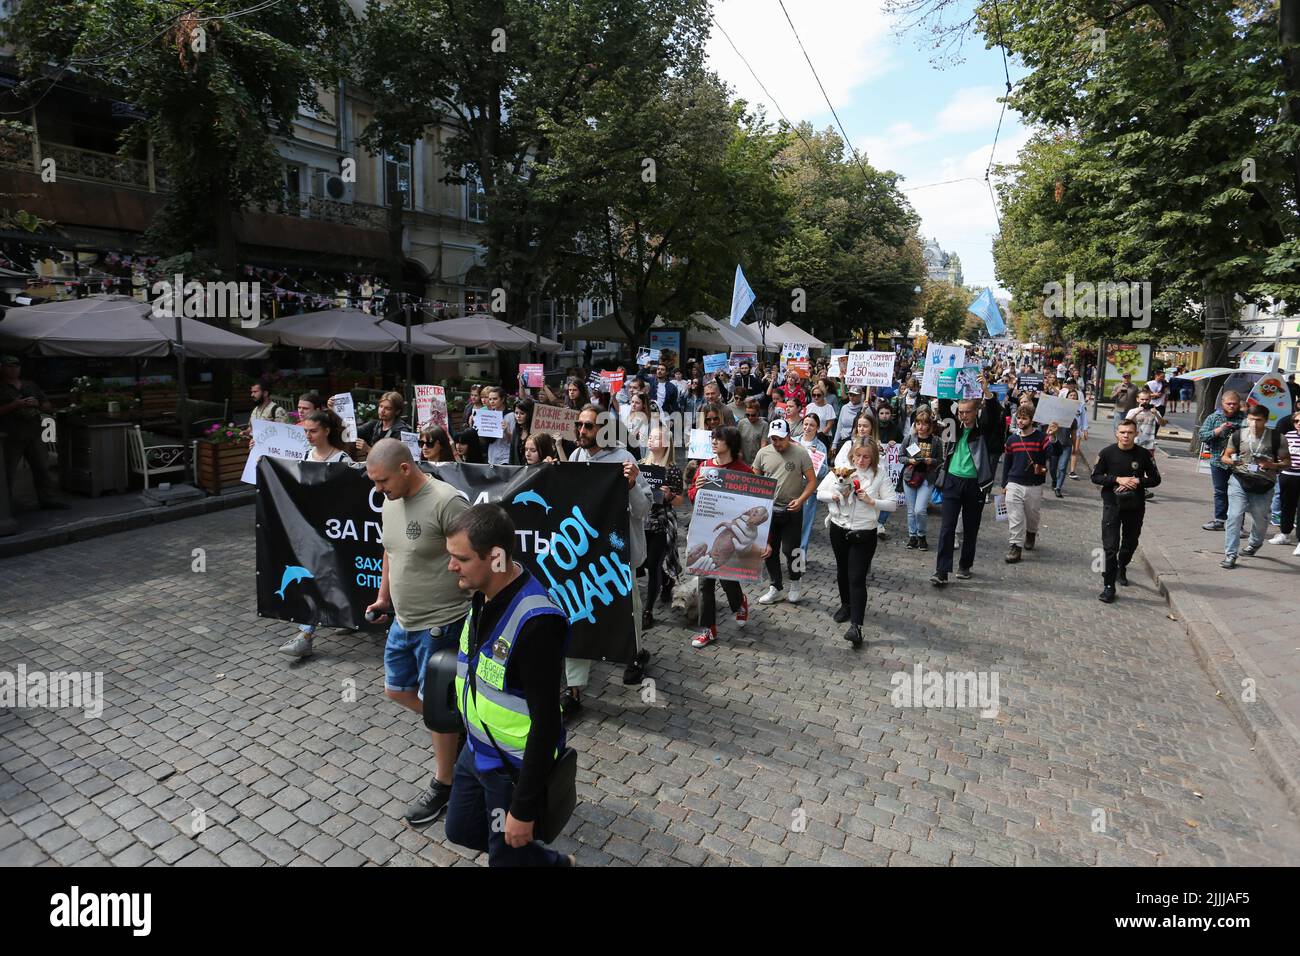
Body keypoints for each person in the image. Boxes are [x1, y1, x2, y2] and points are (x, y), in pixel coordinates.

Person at [443, 503, 573, 867]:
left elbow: (547, 722)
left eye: (461, 558)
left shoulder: (537, 624)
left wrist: (523, 809)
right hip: (476, 752)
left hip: (511, 770)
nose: (452, 566)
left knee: (505, 857)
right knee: (460, 829)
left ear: (495, 557)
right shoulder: (484, 592)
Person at [362, 439, 471, 824]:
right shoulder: (390, 502)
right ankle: (461, 731)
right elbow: (391, 552)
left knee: (437, 708)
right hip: (403, 621)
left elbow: (476, 557)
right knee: (397, 689)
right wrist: (382, 599)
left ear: (406, 468)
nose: (378, 489)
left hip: (442, 624)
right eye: (374, 482)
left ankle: (445, 783)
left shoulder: (447, 501)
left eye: (382, 480)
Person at [563, 404, 652, 715]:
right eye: (579, 425)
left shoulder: (625, 460)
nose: (582, 431)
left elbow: (644, 510)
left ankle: (636, 654)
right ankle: (574, 689)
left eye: (588, 426)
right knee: (579, 610)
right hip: (585, 553)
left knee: (628, 608)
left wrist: (630, 486)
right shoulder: (575, 458)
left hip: (619, 550)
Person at [277, 410, 355, 660]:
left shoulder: (342, 458)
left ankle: (336, 619)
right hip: (312, 532)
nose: (308, 436)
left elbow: (348, 497)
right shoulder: (304, 456)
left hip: (337, 532)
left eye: (313, 431)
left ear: (326, 431)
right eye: (306, 432)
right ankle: (306, 634)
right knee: (316, 578)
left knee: (337, 577)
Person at [687, 426, 764, 649]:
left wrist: (764, 539)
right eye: (712, 438)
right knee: (705, 584)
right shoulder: (705, 466)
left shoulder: (744, 471)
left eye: (718, 439)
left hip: (734, 536)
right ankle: (708, 630)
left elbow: (757, 503)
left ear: (730, 443)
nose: (713, 442)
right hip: (708, 530)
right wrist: (697, 489)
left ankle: (739, 602)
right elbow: (692, 497)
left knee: (728, 578)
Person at [818, 440, 896, 646]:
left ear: (873, 458)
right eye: (857, 456)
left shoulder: (880, 475)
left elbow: (893, 503)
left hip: (864, 533)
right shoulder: (842, 470)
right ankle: (846, 605)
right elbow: (820, 493)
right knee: (842, 571)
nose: (860, 461)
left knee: (857, 577)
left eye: (866, 456)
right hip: (838, 529)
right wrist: (834, 496)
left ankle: (856, 627)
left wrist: (872, 501)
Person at [929, 380, 1002, 587]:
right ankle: (941, 571)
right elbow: (944, 409)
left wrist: (987, 390)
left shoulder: (983, 430)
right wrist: (945, 382)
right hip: (952, 481)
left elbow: (995, 415)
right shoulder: (953, 427)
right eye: (960, 411)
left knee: (971, 528)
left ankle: (965, 565)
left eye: (967, 412)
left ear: (976, 411)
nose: (962, 415)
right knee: (947, 527)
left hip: (975, 484)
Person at [1092, 419, 1161, 602]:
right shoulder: (1107, 453)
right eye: (1122, 432)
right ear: (1117, 433)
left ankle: (1122, 565)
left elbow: (1155, 479)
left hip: (1135, 506)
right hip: (1112, 505)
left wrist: (1138, 481)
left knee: (1130, 543)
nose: (1126, 436)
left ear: (1136, 434)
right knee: (1109, 548)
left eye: (1130, 432)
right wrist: (1117, 479)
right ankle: (1108, 586)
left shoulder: (1144, 455)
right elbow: (1096, 476)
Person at [753, 418, 818, 605]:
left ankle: (796, 582)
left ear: (788, 436)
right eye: (773, 439)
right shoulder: (763, 453)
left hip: (793, 508)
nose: (777, 443)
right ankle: (775, 587)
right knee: (769, 551)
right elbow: (756, 477)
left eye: (780, 439)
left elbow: (812, 481)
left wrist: (801, 500)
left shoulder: (800, 452)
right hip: (769, 510)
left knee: (793, 550)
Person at [1220, 404, 1291, 568]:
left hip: (1264, 483)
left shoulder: (1277, 438)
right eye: (1251, 420)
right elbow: (1225, 457)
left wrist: (1271, 465)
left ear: (1265, 420)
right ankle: (1230, 555)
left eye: (1258, 420)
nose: (1253, 424)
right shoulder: (1238, 435)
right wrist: (1232, 461)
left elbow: (1287, 462)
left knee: (1260, 519)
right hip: (1239, 479)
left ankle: (1255, 543)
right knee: (1234, 516)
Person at [0, 355, 65, 510]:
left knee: (43, 468)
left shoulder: (30, 385)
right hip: (11, 436)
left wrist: (38, 404)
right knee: (8, 473)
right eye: (9, 366)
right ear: (2, 368)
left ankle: (48, 500)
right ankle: (5, 507)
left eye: (16, 366)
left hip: (35, 434)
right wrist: (15, 405)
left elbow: (48, 406)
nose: (13, 369)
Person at [640, 426, 683, 630]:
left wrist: (670, 496)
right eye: (649, 437)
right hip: (641, 519)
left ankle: (647, 611)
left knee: (654, 564)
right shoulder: (640, 465)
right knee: (645, 563)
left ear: (665, 443)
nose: (650, 440)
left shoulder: (673, 469)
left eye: (655, 438)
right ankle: (666, 581)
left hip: (661, 521)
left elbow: (680, 500)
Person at [999, 405, 1053, 564]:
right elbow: (1007, 463)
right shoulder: (1012, 440)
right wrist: (1004, 484)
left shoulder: (1041, 438)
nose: (1021, 421)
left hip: (1034, 484)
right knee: (1015, 516)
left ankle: (1031, 532)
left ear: (1031, 420)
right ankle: (1015, 545)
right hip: (1014, 482)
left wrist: (1053, 438)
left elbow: (1052, 454)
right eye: (1019, 418)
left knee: (1032, 515)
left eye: (1024, 418)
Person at [1197, 390, 1246, 531]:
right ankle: (1219, 520)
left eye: (1234, 403)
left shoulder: (1245, 419)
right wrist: (1218, 430)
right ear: (1222, 403)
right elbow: (1202, 436)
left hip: (1239, 462)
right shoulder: (1214, 418)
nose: (1231, 406)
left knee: (1239, 493)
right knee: (1220, 492)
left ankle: (1238, 525)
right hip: (1218, 461)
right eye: (1228, 403)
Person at [899, 407, 943, 550]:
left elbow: (940, 460)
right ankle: (913, 536)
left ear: (930, 426)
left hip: (927, 478)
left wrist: (932, 461)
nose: (921, 427)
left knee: (920, 510)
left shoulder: (936, 441)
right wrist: (910, 461)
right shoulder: (909, 438)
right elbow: (901, 457)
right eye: (918, 424)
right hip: (910, 476)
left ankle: (922, 535)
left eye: (924, 424)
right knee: (911, 510)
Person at [796, 412, 832, 559]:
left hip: (809, 490)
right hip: (791, 487)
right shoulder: (794, 441)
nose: (807, 427)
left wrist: (815, 458)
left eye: (812, 425)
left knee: (805, 524)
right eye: (805, 424)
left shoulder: (821, 446)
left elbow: (824, 471)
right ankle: (788, 553)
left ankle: (800, 559)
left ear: (817, 428)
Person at [1124, 389, 1166, 498]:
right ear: (1138, 399)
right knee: (1132, 464)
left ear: (1150, 400)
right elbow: (1126, 422)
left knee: (1147, 466)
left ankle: (1144, 488)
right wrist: (1137, 411)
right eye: (1142, 399)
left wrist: (1156, 413)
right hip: (1135, 442)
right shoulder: (1133, 411)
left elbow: (1162, 423)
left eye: (1147, 399)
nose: (1144, 401)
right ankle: (1129, 484)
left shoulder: (1154, 411)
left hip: (1149, 443)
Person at [1271, 412, 1300, 545]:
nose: (1298, 424)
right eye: (1296, 421)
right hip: (1287, 476)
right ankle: (1284, 533)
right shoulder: (1288, 436)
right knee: (1287, 506)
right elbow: (1280, 455)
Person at [357, 391, 412, 458]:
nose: (382, 411)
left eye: (388, 408)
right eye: (381, 406)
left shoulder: (402, 431)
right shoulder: (374, 425)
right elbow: (355, 431)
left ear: (397, 411)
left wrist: (368, 449)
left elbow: (393, 459)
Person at [478, 386, 514, 466]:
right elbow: (483, 440)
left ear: (503, 399)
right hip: (491, 457)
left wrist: (506, 431)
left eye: (495, 399)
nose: (492, 402)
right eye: (490, 399)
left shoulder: (511, 416)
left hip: (505, 457)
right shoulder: (488, 414)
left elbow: (514, 440)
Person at [737, 397, 767, 465]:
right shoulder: (741, 423)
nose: (750, 417)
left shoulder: (764, 425)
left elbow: (763, 444)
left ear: (758, 413)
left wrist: (758, 462)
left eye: (753, 415)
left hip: (757, 461)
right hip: (743, 460)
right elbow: (737, 440)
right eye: (747, 415)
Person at [509, 396, 534, 466]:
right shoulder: (516, 429)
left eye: (522, 413)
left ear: (529, 414)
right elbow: (512, 452)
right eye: (516, 413)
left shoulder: (535, 431)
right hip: (517, 470)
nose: (518, 416)